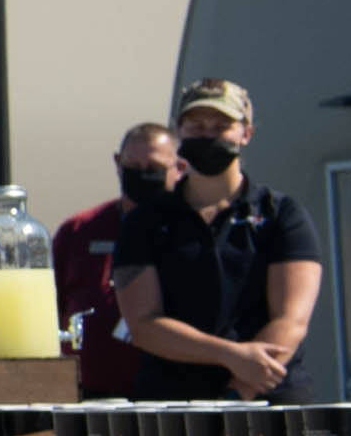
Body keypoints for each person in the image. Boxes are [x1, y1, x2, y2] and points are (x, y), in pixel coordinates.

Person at [113, 78, 323, 400]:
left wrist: (238, 393)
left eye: (220, 125)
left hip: (268, 398)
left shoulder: (281, 214)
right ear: (179, 133)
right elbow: (143, 324)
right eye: (196, 126)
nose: (207, 134)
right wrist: (230, 355)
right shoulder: (145, 222)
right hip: (172, 403)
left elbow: (291, 319)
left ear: (246, 133)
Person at [57, 121, 178, 398]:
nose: (142, 176)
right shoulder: (80, 229)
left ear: (178, 169)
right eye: (134, 167)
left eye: (154, 169)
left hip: (167, 390)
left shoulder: (190, 231)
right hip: (90, 390)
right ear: (118, 162)